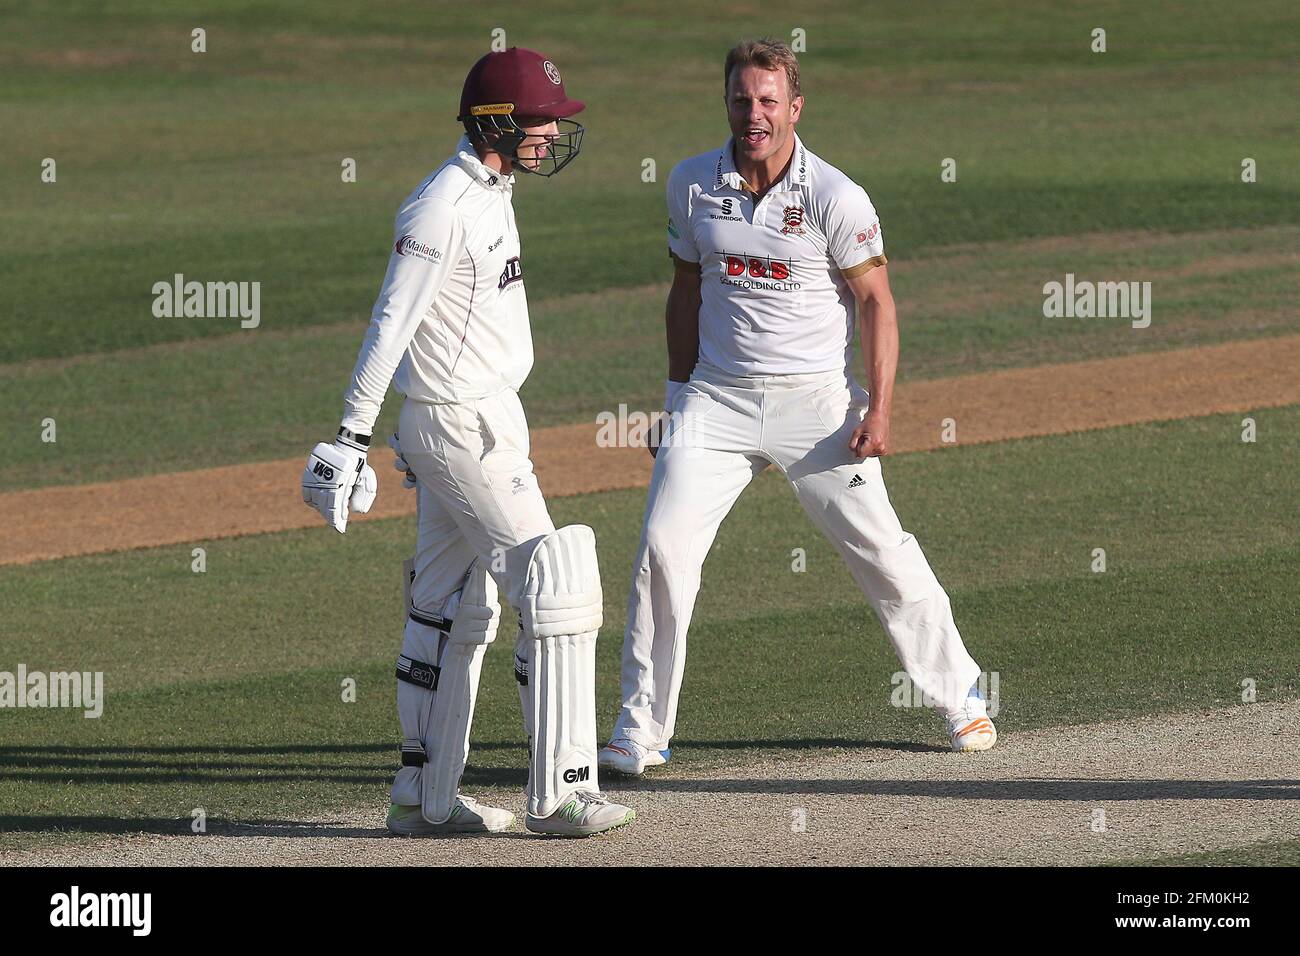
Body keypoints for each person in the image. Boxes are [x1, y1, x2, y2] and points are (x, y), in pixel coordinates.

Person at [599, 39, 995, 777]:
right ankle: (639, 730)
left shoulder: (835, 197)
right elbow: (685, 292)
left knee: (877, 547)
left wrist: (878, 407)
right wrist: (675, 398)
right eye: (743, 100)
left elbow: (876, 303)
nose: (755, 114)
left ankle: (961, 695)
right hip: (714, 399)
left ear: (795, 106)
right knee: (661, 550)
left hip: (815, 403)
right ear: (727, 103)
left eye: (769, 100)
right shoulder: (691, 184)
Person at [302, 46, 635, 837]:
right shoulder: (441, 207)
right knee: (552, 582)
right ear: (497, 122)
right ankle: (561, 793)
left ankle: (423, 797)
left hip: (483, 417)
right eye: (542, 119)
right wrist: (348, 436)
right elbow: (392, 322)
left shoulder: (493, 189)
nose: (553, 131)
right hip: (459, 424)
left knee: (452, 610)